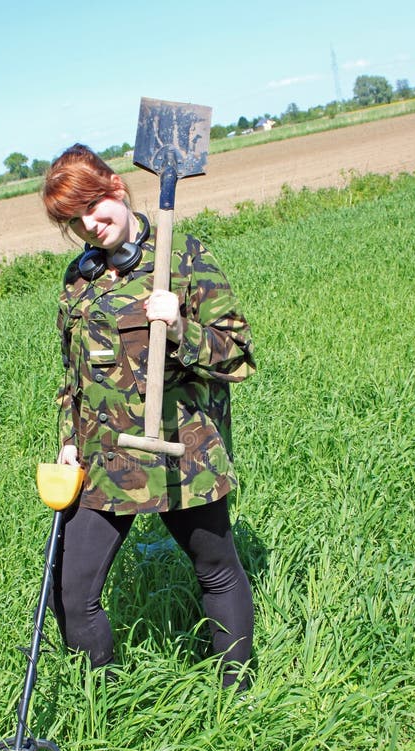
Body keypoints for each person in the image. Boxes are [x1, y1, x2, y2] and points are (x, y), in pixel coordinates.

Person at [41, 143, 256, 690]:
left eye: (93, 208)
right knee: (73, 593)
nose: (90, 227)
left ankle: (238, 698)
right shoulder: (80, 279)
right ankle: (104, 706)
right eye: (75, 221)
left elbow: (237, 355)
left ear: (116, 187)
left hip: (181, 451)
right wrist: (69, 439)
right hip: (105, 459)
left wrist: (180, 327)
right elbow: (73, 376)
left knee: (216, 571)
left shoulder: (181, 255)